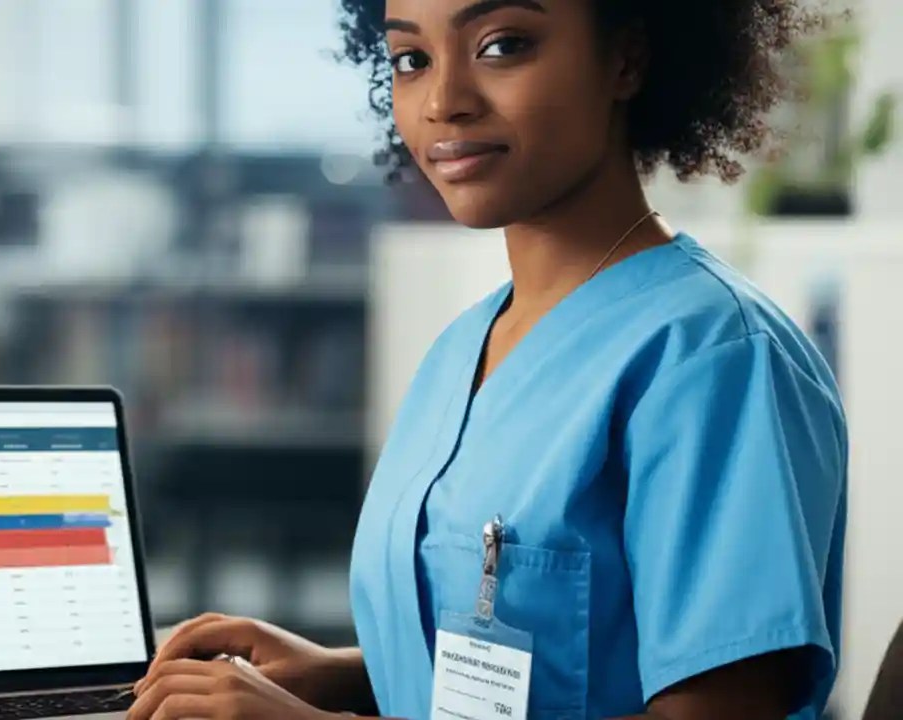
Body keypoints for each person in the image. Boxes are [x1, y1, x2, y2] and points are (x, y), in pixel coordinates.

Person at [127, 0, 847, 718]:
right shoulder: (464, 347)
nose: (445, 101)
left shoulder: (713, 358)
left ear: (625, 59)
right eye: (412, 59)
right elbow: (542, 662)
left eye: (502, 45)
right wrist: (353, 674)